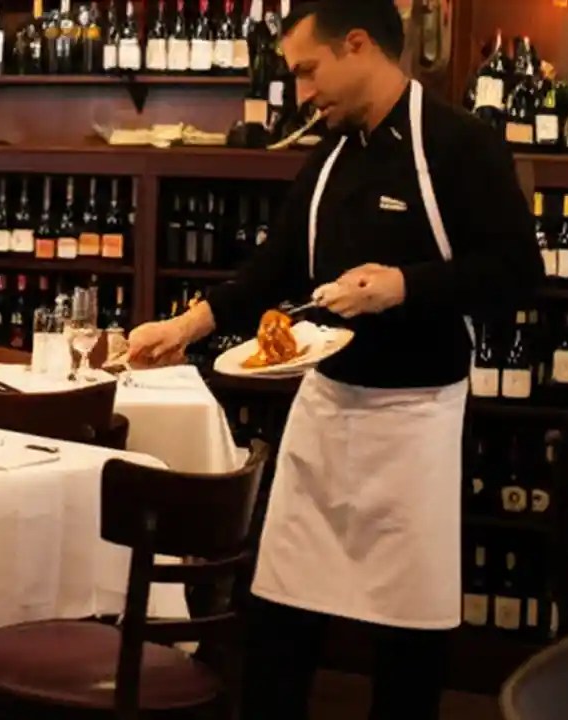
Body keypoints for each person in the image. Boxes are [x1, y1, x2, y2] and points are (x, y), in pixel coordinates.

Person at [128, 1, 544, 718]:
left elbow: (515, 273)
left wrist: (403, 285)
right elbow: (278, 267)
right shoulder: (327, 157)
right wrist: (188, 323)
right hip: (324, 412)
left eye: (308, 71)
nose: (303, 92)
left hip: (416, 421)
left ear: (358, 46)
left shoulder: (460, 145)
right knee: (279, 620)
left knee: (406, 643)